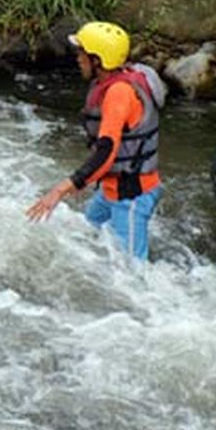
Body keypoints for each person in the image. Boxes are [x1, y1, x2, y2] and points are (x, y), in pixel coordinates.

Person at [26, 21, 166, 260]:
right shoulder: (114, 81)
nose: (78, 58)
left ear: (98, 60)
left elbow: (107, 151)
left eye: (82, 53)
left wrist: (61, 190)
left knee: (133, 275)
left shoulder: (118, 93)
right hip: (111, 189)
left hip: (131, 194)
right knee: (87, 236)